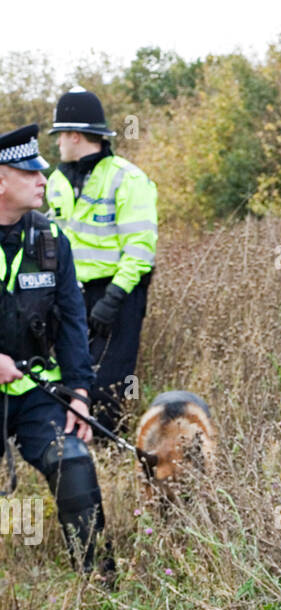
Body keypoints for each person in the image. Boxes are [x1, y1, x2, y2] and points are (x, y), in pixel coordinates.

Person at [0, 125, 111, 576]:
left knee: (75, 462)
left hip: (32, 391)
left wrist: (80, 392)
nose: (43, 180)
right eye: (29, 174)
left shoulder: (50, 242)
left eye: (41, 172)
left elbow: (72, 321)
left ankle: (100, 583)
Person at [46, 89, 157, 430]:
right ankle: (73, 433)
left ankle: (108, 439)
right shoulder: (56, 181)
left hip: (118, 289)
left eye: (60, 135)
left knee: (113, 371)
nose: (58, 143)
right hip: (71, 291)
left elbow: (140, 246)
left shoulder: (128, 178)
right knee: (72, 366)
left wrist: (114, 297)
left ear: (75, 136)